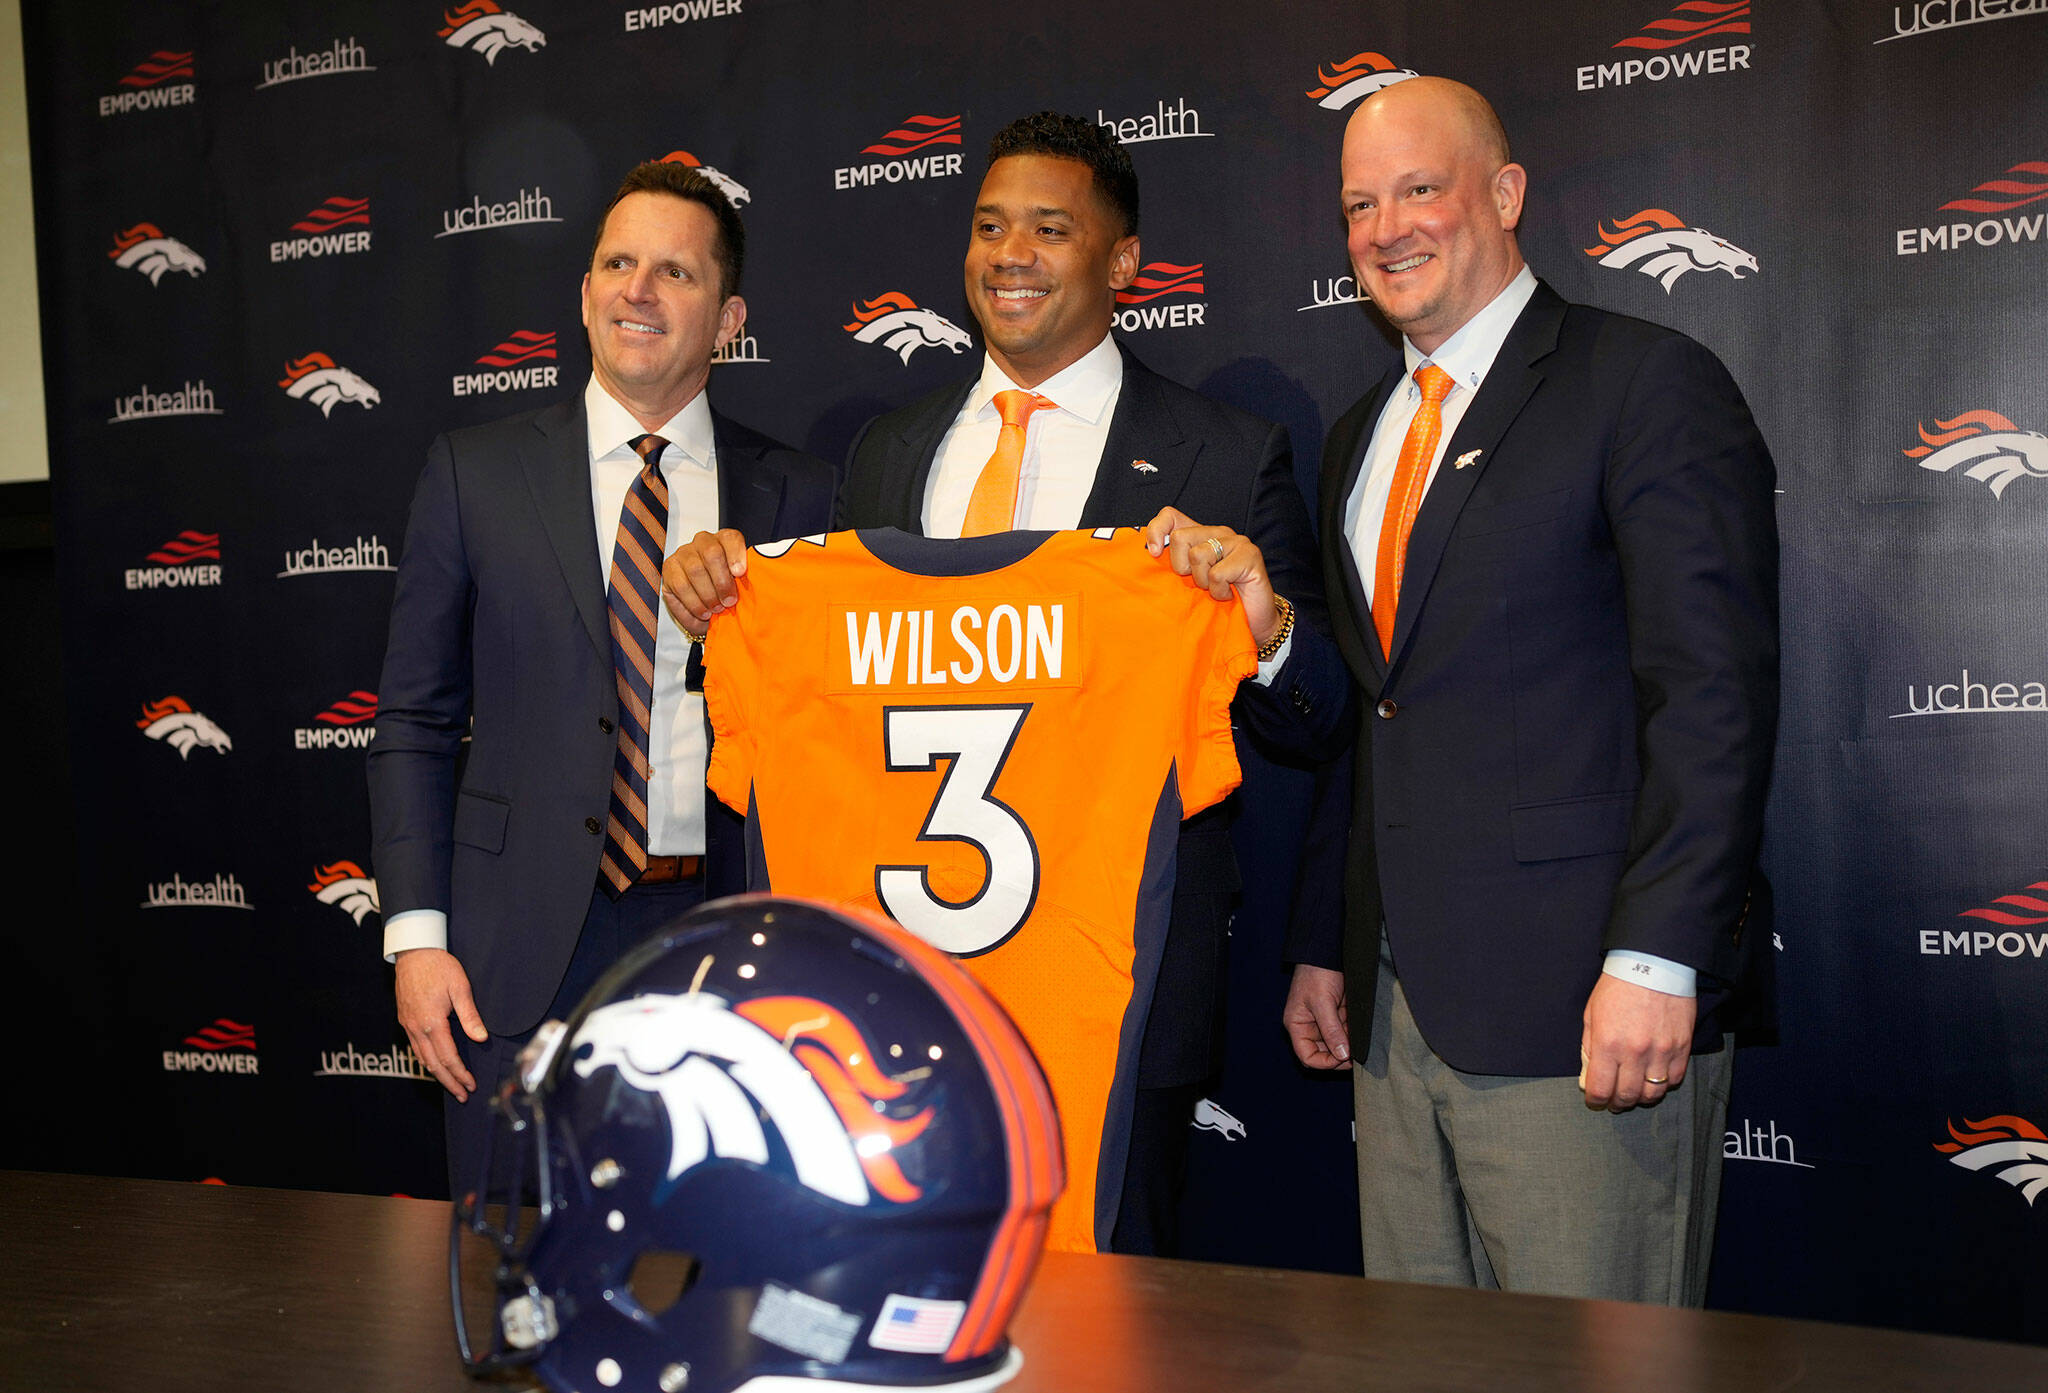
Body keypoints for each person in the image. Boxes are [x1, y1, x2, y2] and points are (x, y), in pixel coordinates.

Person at [663, 112, 1339, 1254]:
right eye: (986, 227)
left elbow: (1315, 712)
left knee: (1114, 1333)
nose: (1007, 255)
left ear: (1123, 264)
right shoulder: (888, 449)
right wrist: (715, 608)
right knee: (904, 1306)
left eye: (1047, 228)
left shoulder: (1223, 451)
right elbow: (831, 697)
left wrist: (1259, 619)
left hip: (1114, 992)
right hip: (900, 997)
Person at [1163, 76, 1779, 1302]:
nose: (1384, 226)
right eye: (1355, 204)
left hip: (1581, 1012)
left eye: (1417, 189)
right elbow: (1371, 723)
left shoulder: (1643, 383)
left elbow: (1711, 698)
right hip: (1398, 1023)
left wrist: (1657, 958)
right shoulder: (1358, 436)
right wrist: (1327, 942)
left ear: (1502, 195)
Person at [367, 161, 834, 1196]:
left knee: (709, 1272)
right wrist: (416, 941)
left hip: (720, 940)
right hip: (511, 954)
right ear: (582, 293)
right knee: (511, 1286)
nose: (639, 289)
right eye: (618, 263)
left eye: (675, 271)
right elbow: (411, 718)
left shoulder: (801, 493)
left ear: (728, 315)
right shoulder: (472, 471)